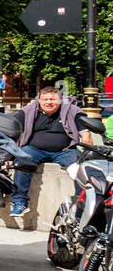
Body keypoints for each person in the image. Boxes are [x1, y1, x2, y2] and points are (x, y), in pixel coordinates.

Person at [9, 85, 90, 217]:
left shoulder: (72, 111)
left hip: (66, 151)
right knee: (23, 159)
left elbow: (86, 135)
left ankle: (81, 205)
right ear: (39, 100)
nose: (48, 102)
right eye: (45, 99)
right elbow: (13, 132)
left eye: (52, 99)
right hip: (35, 149)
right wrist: (12, 154)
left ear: (60, 100)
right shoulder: (28, 111)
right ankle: (20, 202)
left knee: (81, 167)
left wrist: (87, 154)